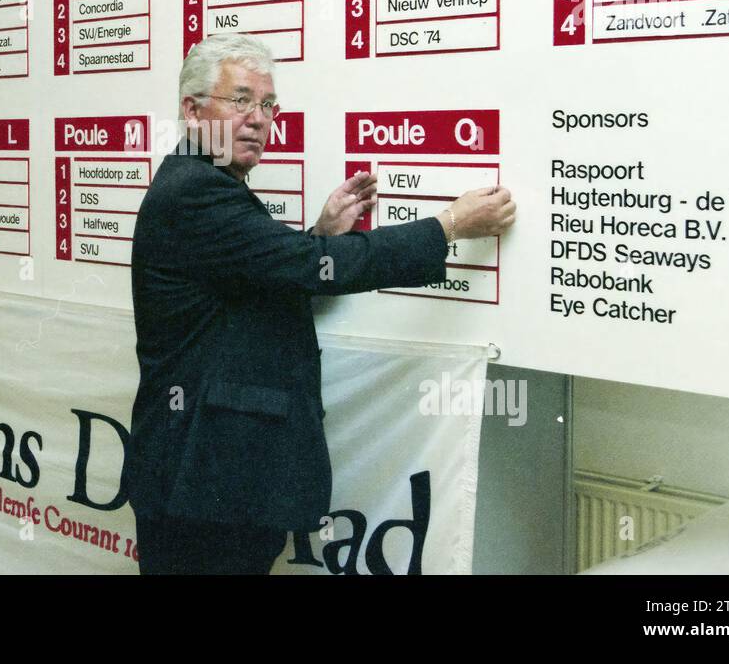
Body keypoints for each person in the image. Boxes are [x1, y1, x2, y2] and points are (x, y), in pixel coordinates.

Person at [123, 35, 516, 574]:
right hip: (199, 478)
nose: (258, 119)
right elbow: (302, 266)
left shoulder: (207, 184)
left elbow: (252, 283)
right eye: (240, 100)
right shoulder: (195, 192)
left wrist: (320, 234)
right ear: (192, 110)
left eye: (266, 105)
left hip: (210, 475)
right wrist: (448, 226)